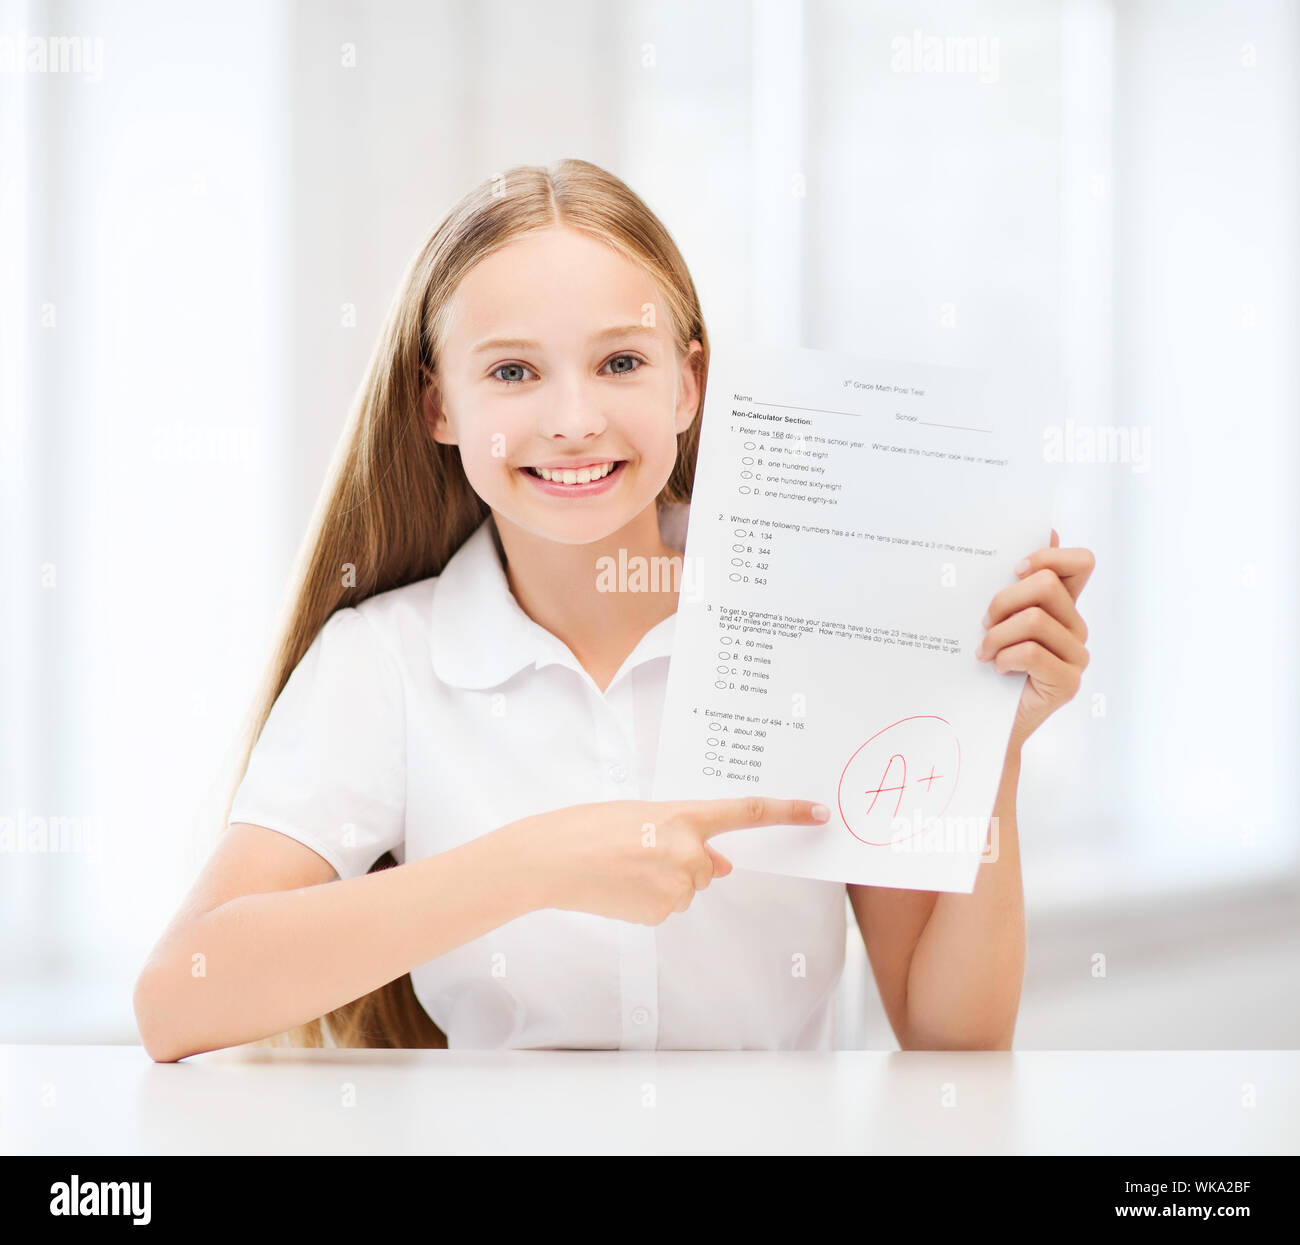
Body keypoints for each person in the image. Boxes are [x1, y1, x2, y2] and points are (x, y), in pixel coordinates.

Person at [133, 159, 1094, 1062]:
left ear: (691, 385)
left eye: (620, 363)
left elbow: (950, 1037)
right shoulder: (383, 662)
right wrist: (541, 862)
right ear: (438, 406)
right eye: (513, 372)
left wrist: (990, 746)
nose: (573, 420)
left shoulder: (814, 615)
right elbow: (181, 996)